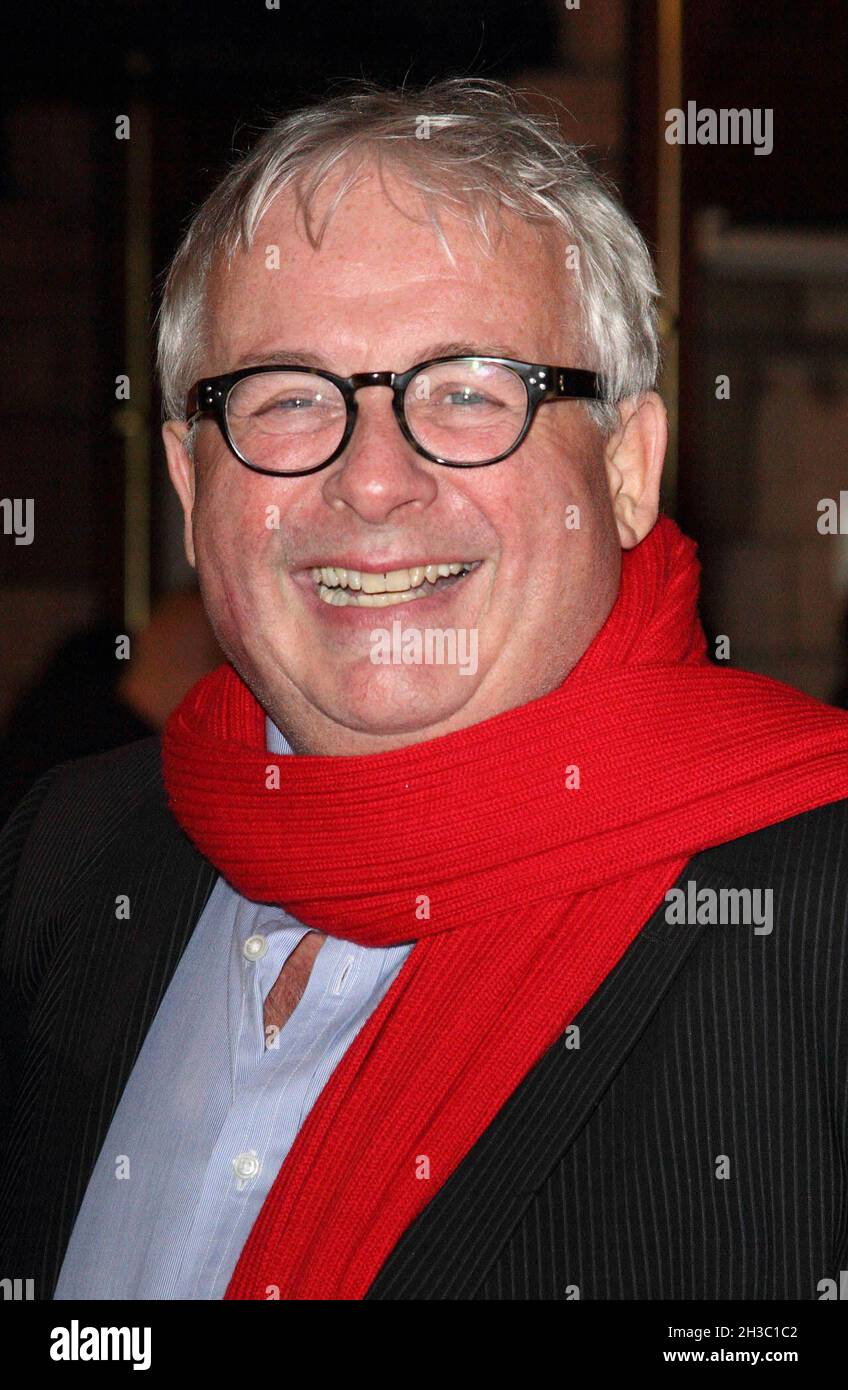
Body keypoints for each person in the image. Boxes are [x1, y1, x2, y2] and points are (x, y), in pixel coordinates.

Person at [2, 78, 847, 1302]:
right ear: (191, 488)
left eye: (467, 390)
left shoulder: (819, 916)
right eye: (288, 398)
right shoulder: (62, 863)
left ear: (625, 469)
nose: (374, 481)